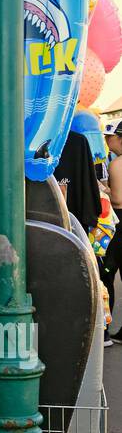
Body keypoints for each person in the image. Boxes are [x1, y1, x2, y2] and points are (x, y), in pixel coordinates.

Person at [99, 122, 122, 340]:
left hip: (119, 223)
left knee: (107, 274)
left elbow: (117, 199)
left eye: (110, 137)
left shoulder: (116, 165)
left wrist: (103, 188)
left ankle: (105, 330)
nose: (106, 141)